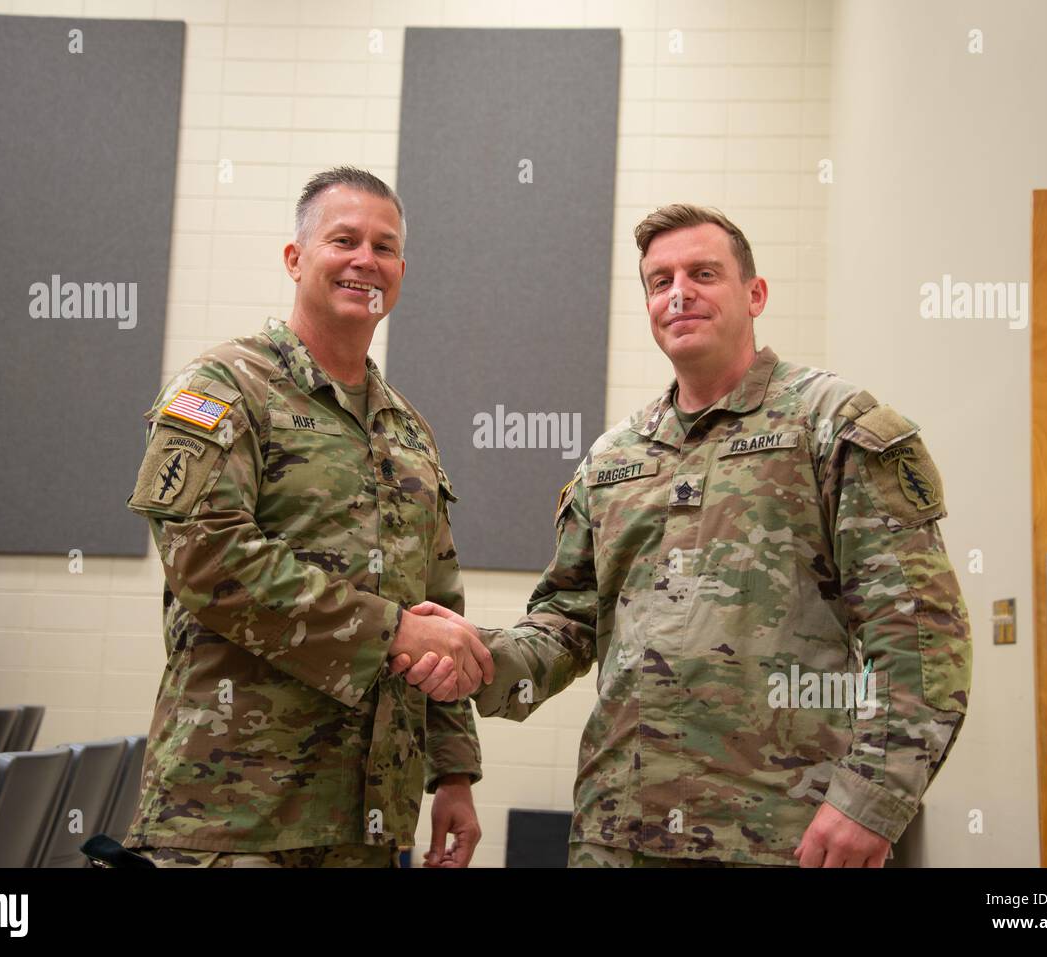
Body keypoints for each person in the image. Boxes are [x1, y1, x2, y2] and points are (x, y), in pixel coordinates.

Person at [395, 203, 972, 867]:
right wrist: (483, 662)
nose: (679, 293)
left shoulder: (833, 427)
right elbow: (566, 623)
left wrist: (870, 799)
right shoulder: (614, 459)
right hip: (616, 834)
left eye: (703, 273)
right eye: (660, 280)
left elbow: (921, 633)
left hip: (783, 836)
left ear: (754, 294)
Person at [123, 166, 493, 869]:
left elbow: (439, 610)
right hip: (234, 811)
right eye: (344, 239)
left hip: (371, 817)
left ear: (401, 273)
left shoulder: (408, 430)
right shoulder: (223, 387)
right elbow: (209, 560)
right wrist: (388, 632)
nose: (365, 260)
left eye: (384, 248)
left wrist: (453, 771)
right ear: (295, 258)